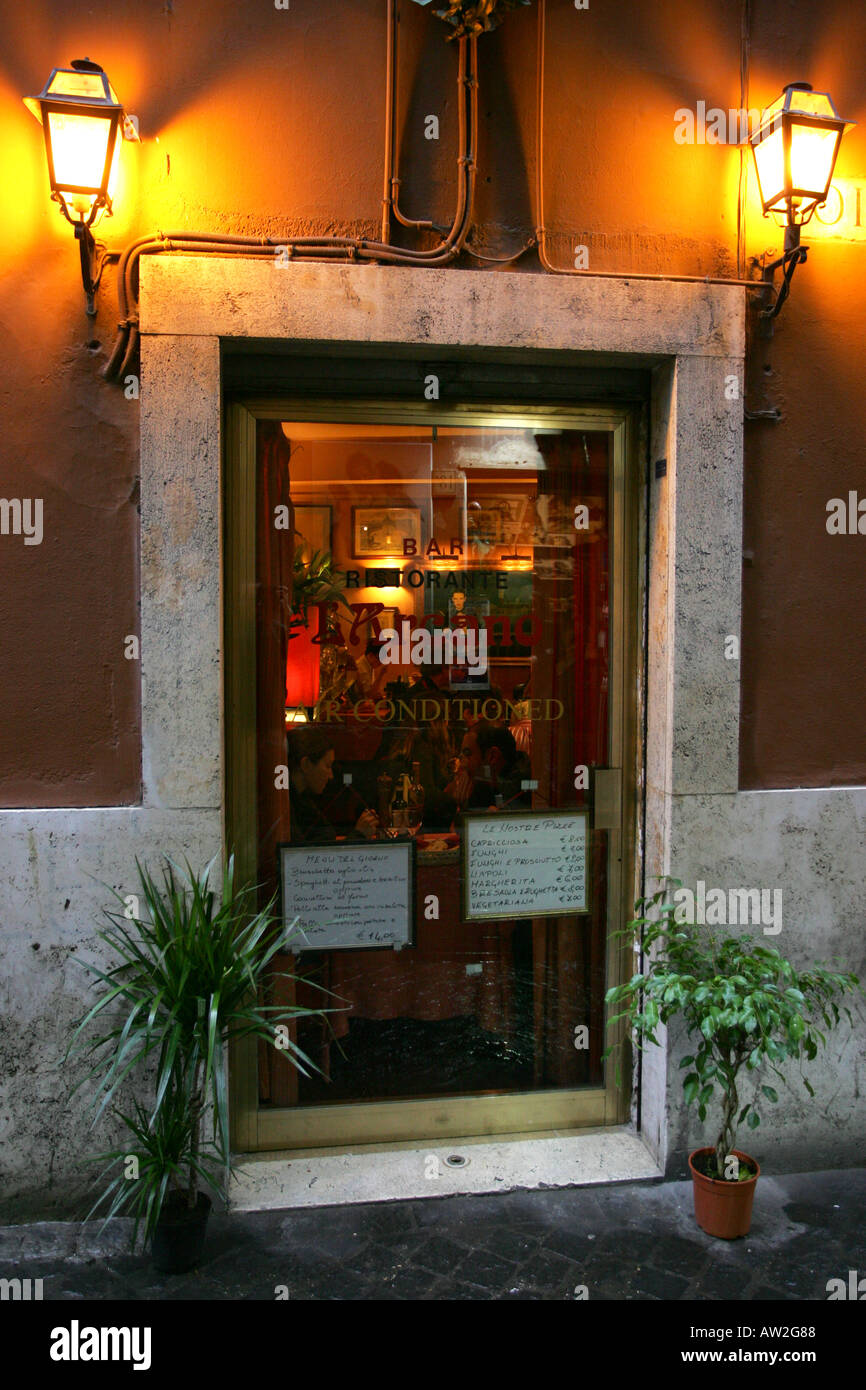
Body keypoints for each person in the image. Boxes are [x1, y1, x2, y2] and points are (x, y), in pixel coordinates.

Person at [287, 725, 379, 841]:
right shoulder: (288, 808)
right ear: (306, 764)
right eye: (327, 766)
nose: (331, 776)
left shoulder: (301, 800)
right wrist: (359, 835)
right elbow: (310, 856)